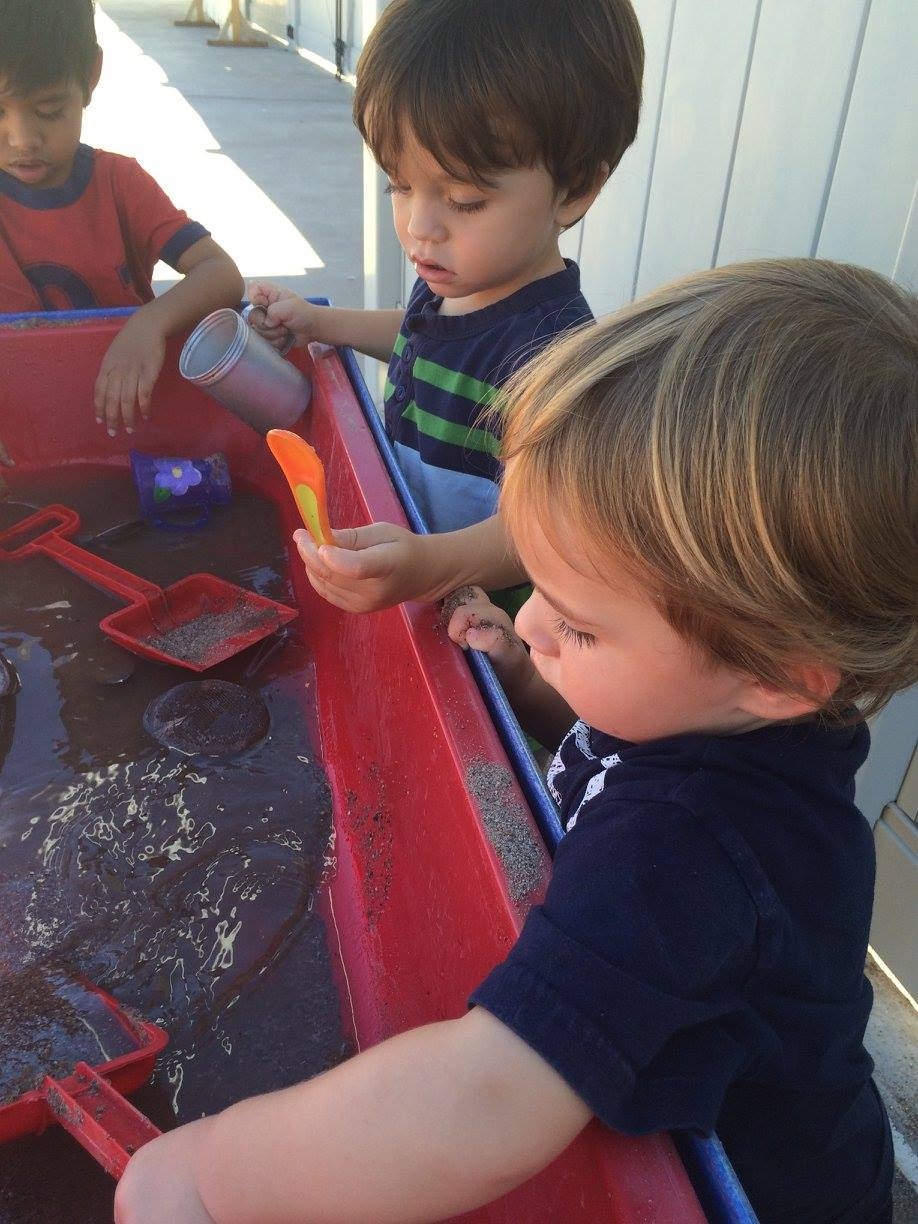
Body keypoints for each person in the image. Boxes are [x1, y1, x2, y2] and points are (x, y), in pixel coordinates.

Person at [114, 258, 915, 1224]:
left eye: (578, 626)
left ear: (781, 677)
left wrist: (208, 1174)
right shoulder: (734, 710)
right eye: (536, 582)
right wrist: (533, 683)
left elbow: (482, 1106)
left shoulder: (687, 857)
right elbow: (614, 754)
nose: (530, 620)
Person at [250, 0, 642, 613]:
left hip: (483, 624)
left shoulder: (555, 360)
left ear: (575, 190)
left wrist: (430, 566)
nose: (419, 226)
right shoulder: (454, 280)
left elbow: (550, 527)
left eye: (463, 200)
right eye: (400, 185)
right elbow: (421, 343)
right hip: (416, 564)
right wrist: (323, 323)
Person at [0, 0, 244, 459]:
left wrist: (149, 323)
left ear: (91, 75)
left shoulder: (120, 184)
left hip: (132, 427)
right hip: (27, 441)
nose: (23, 140)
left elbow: (222, 274)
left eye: (49, 110)